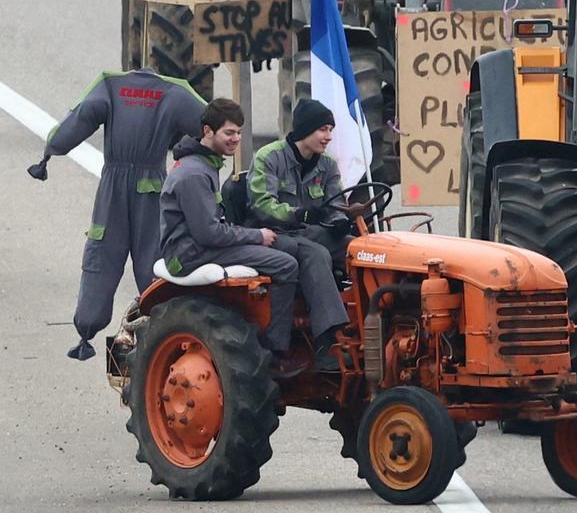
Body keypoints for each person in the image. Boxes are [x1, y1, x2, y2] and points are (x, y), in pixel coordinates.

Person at [28, 69, 206, 360]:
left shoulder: (110, 85)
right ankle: (169, 327)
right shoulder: (174, 91)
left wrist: (52, 148)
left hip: (112, 188)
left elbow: (81, 116)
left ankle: (87, 328)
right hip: (152, 189)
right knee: (156, 258)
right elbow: (213, 123)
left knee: (103, 252)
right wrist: (196, 157)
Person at [159, 99, 346, 375]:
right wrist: (256, 236)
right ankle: (277, 351)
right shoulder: (193, 174)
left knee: (340, 248)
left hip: (204, 242)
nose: (236, 139)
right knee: (287, 262)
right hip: (191, 251)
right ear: (208, 132)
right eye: (229, 133)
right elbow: (208, 232)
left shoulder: (204, 165)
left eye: (239, 132)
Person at [247, 99, 365, 270]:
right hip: (276, 233)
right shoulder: (269, 157)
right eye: (323, 130)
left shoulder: (328, 163)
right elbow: (262, 206)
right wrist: (299, 215)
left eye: (331, 130)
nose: (329, 137)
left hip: (310, 232)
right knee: (318, 254)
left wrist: (339, 222)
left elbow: (335, 205)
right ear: (305, 130)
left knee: (360, 250)